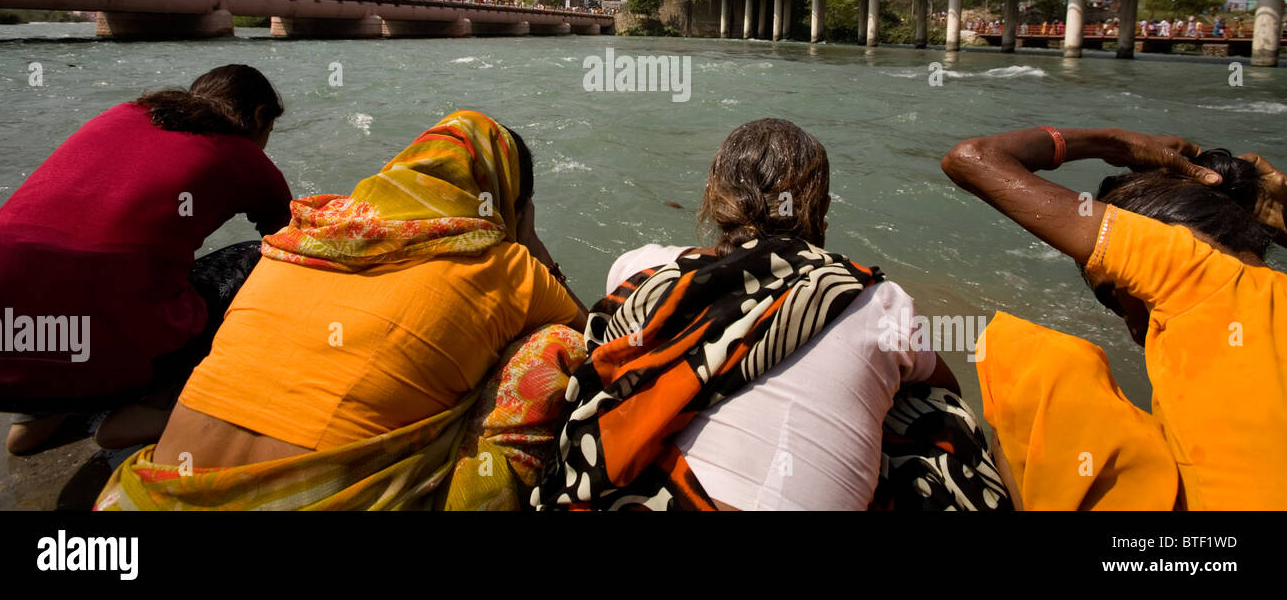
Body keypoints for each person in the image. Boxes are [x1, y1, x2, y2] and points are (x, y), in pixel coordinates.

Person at [104, 110, 590, 509]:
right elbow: (587, 329)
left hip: (144, 494)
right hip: (314, 502)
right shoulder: (504, 264)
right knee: (553, 344)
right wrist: (528, 242)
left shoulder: (300, 236)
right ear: (508, 199)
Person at [533, 119, 1004, 512]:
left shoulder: (641, 269)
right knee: (935, 412)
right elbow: (947, 390)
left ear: (713, 200)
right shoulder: (877, 301)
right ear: (822, 213)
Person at [942, 128, 1287, 509]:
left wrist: (1116, 145)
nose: (1132, 326)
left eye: (1115, 297)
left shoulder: (1190, 270)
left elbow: (973, 158)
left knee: (1027, 361)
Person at [0, 65, 292, 455]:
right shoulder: (244, 156)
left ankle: (40, 417)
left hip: (2, 355)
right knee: (251, 257)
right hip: (112, 344)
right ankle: (151, 409)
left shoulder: (124, 113)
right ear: (261, 116)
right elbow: (291, 240)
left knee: (68, 270)